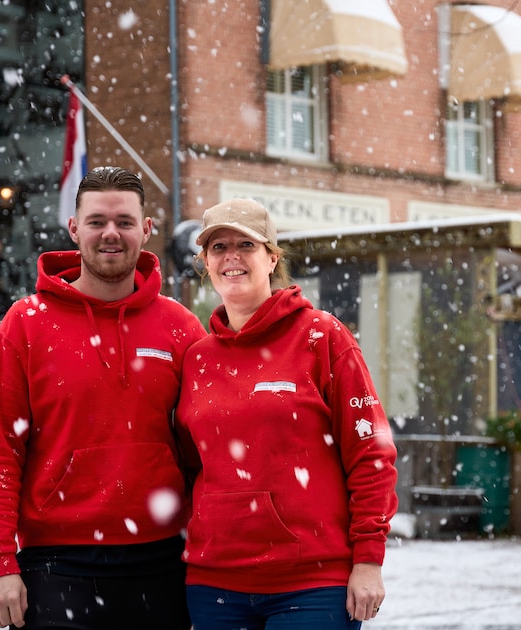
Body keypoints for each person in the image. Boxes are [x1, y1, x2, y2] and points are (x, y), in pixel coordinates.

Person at [0, 166, 207, 629]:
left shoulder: (180, 327)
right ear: (74, 228)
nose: (111, 233)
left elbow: (206, 450)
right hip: (55, 566)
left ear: (146, 229)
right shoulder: (25, 324)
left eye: (124, 221)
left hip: (162, 564)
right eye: (97, 221)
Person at [175, 198, 398, 628]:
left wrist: (368, 558)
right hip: (214, 583)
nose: (231, 257)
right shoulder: (197, 358)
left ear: (272, 257)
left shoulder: (321, 336)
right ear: (205, 261)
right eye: (218, 247)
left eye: (246, 244)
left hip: (312, 583)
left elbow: (370, 453)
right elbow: (190, 464)